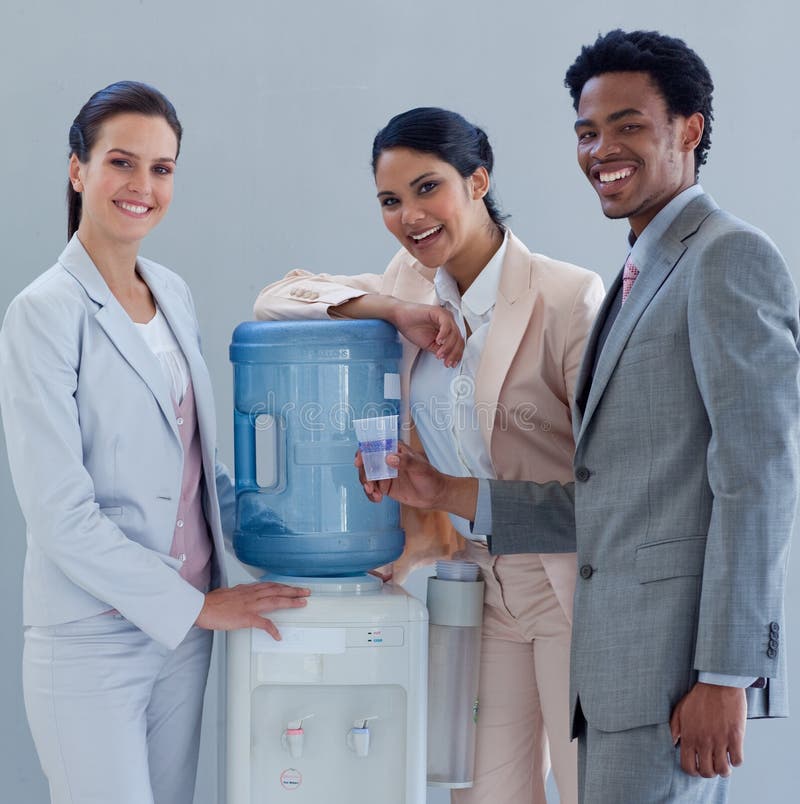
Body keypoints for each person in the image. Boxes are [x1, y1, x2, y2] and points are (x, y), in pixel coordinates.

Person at [362, 31, 800, 804]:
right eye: (588, 132)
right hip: (609, 656)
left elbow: (757, 478)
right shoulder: (641, 270)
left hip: (666, 667)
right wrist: (443, 492)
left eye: (628, 126)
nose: (602, 151)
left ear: (689, 130)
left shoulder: (726, 256)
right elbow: (606, 490)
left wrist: (727, 675)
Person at [254, 107, 604, 803]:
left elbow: (607, 491)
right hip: (474, 582)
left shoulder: (568, 297)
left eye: (427, 188)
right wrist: (392, 311)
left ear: (478, 182)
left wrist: (446, 491)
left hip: (567, 583)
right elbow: (275, 299)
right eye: (390, 199)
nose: (409, 216)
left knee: (590, 789)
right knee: (481, 795)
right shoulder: (408, 283)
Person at [0, 81, 310, 804]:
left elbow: (197, 465)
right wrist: (195, 608)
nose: (143, 185)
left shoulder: (171, 292)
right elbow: (58, 515)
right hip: (93, 637)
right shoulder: (44, 313)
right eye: (122, 162)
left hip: (184, 635)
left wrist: (302, 548)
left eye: (161, 168)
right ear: (78, 169)